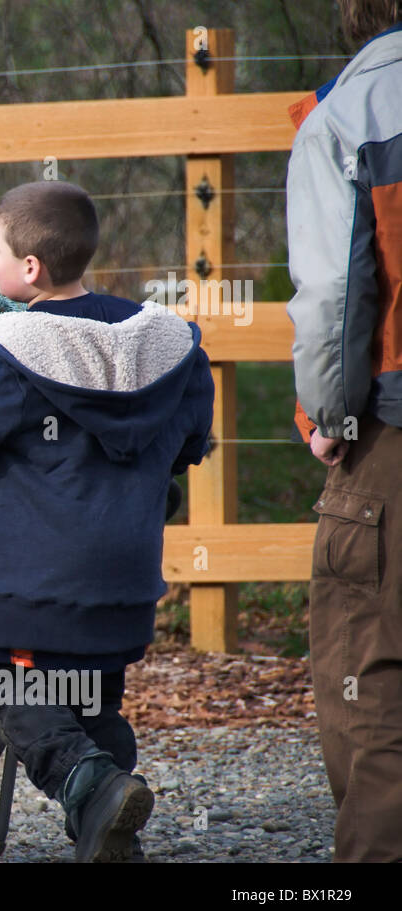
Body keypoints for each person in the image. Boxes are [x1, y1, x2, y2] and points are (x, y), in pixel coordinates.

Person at [0, 180, 214, 862]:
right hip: (123, 586)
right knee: (91, 705)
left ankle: (91, 786)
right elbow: (193, 440)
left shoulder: (8, 354)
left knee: (3, 686)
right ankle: (109, 832)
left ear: (29, 269)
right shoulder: (165, 348)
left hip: (27, 587)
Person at [286, 0, 402, 862]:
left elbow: (336, 297)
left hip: (392, 434)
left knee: (374, 695)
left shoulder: (356, 108)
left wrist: (331, 414)